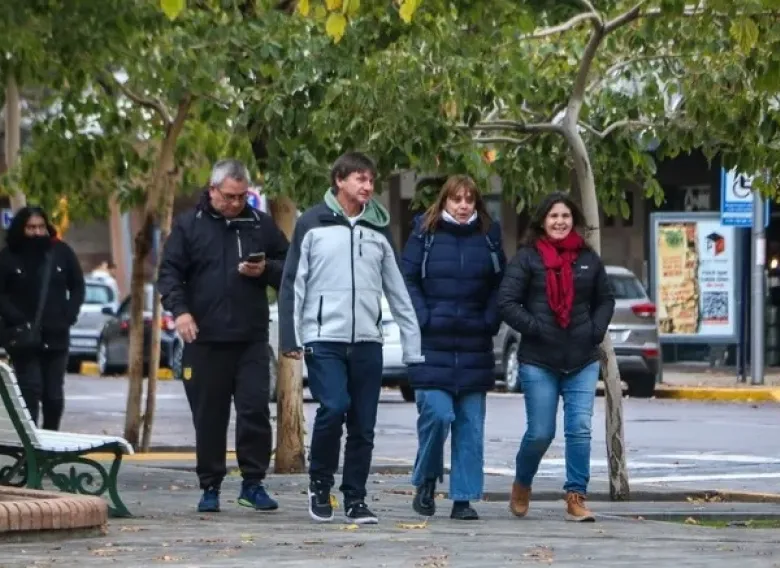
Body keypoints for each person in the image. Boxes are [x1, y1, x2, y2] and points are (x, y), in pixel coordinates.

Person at [278, 151, 424, 525]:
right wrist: (289, 338)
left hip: (367, 341)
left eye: (371, 180)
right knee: (334, 408)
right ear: (339, 180)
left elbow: (397, 290)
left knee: (364, 424)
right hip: (324, 337)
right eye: (360, 178)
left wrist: (413, 347)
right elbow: (293, 283)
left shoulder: (378, 229)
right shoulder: (311, 223)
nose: (368, 186)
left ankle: (355, 498)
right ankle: (320, 484)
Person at [158, 159, 289, 514]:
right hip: (205, 338)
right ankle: (210, 485)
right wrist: (181, 312)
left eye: (242, 196)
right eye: (229, 196)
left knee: (254, 411)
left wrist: (266, 270)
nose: (235, 203)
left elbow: (288, 266)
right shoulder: (189, 226)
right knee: (209, 415)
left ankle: (253, 483)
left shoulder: (259, 223)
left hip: (250, 337)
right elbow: (169, 275)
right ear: (212, 189)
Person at [497, 192, 615, 522]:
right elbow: (506, 302)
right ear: (542, 221)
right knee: (540, 433)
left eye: (565, 216)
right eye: (553, 216)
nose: (560, 222)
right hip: (539, 359)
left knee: (579, 429)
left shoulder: (589, 258)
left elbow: (606, 300)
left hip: (582, 358)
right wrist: (534, 327)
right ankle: (522, 483)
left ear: (573, 220)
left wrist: (594, 330)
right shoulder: (528, 258)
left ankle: (576, 497)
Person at [400, 175, 505, 521]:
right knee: (438, 415)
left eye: (469, 200)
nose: (463, 206)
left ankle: (463, 498)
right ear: (444, 201)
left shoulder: (489, 235)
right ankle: (426, 480)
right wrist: (423, 316)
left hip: (475, 345)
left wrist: (490, 319)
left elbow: (500, 282)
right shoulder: (424, 233)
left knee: (470, 426)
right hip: (433, 344)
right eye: (456, 199)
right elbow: (407, 279)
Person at [0, 206, 85, 430]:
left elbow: (77, 286)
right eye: (31, 228)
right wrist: (16, 318)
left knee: (53, 396)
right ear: (21, 229)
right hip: (23, 338)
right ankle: (32, 446)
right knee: (30, 391)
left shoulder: (62, 253)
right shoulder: (8, 257)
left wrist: (69, 314)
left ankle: (50, 442)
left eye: (41, 227)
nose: (37, 232)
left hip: (56, 336)